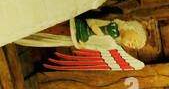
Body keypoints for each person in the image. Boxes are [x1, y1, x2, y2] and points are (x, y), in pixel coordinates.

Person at [17, 15, 148, 71]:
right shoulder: (115, 23)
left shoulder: (112, 45)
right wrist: (93, 24)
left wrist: (85, 46)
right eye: (134, 40)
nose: (131, 44)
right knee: (52, 25)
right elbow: (96, 20)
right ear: (131, 29)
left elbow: (96, 47)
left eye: (133, 46)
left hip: (79, 38)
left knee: (51, 33)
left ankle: (22, 32)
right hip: (79, 26)